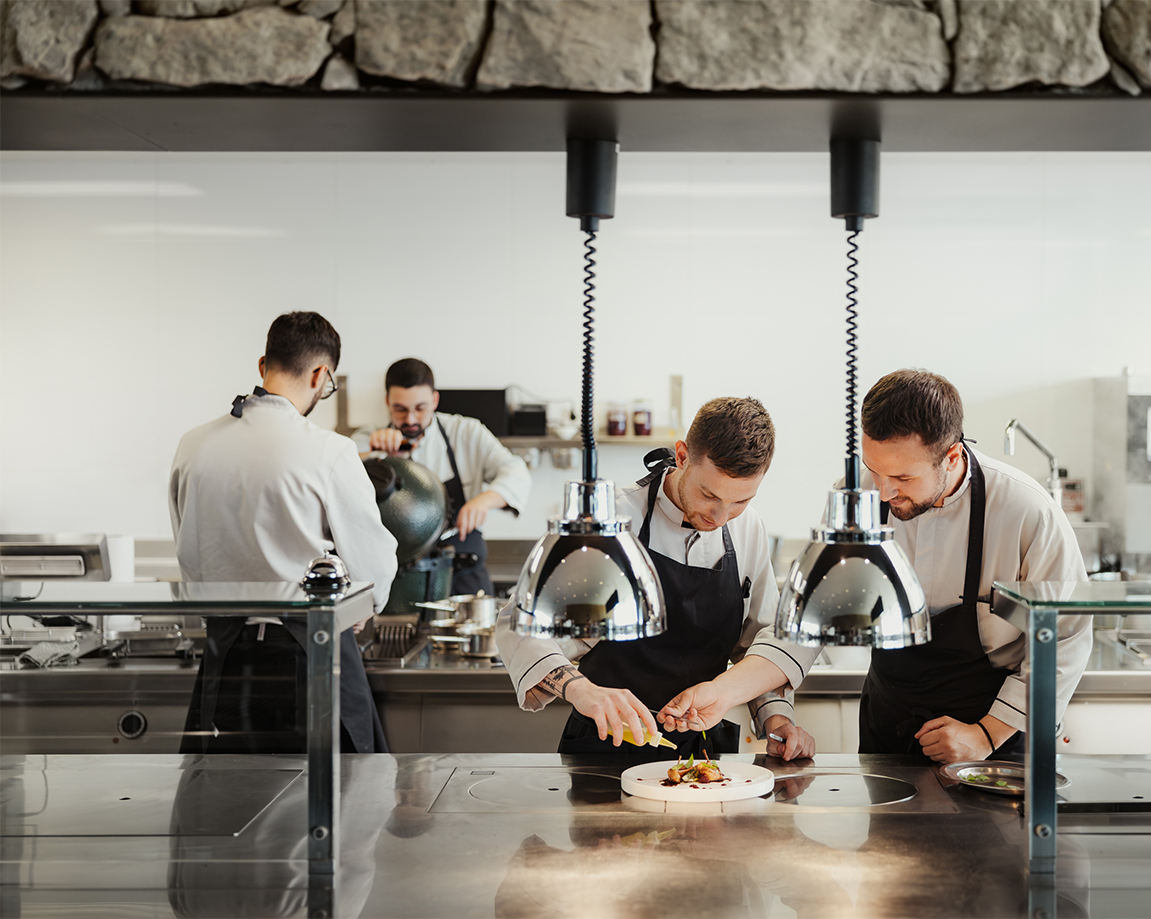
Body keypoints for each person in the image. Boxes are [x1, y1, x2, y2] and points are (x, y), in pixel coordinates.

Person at [495, 397, 818, 761]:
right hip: (604, 749)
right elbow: (516, 625)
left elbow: (758, 644)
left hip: (703, 756)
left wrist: (777, 719)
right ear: (682, 456)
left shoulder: (749, 528)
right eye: (709, 494)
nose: (720, 516)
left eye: (740, 501)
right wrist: (581, 690)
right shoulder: (610, 521)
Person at [169, 311, 398, 754]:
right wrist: (363, 606)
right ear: (321, 375)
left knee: (227, 788)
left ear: (263, 365)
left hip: (226, 656)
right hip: (312, 653)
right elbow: (373, 572)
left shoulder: (193, 446)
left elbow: (188, 553)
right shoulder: (330, 451)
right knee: (335, 790)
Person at [855, 369, 1091, 762]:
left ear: (951, 457)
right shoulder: (860, 496)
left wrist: (985, 735)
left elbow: (1066, 636)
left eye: (902, 477)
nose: (883, 492)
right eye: (874, 471)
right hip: (887, 725)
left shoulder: (1026, 511)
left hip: (992, 733)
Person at [353, 359, 531, 596]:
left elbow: (516, 471)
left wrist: (484, 501)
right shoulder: (369, 438)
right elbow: (338, 474)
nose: (411, 419)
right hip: (397, 580)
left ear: (435, 400)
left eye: (420, 408)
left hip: (462, 571)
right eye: (400, 409)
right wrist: (375, 455)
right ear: (387, 402)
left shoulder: (466, 433)